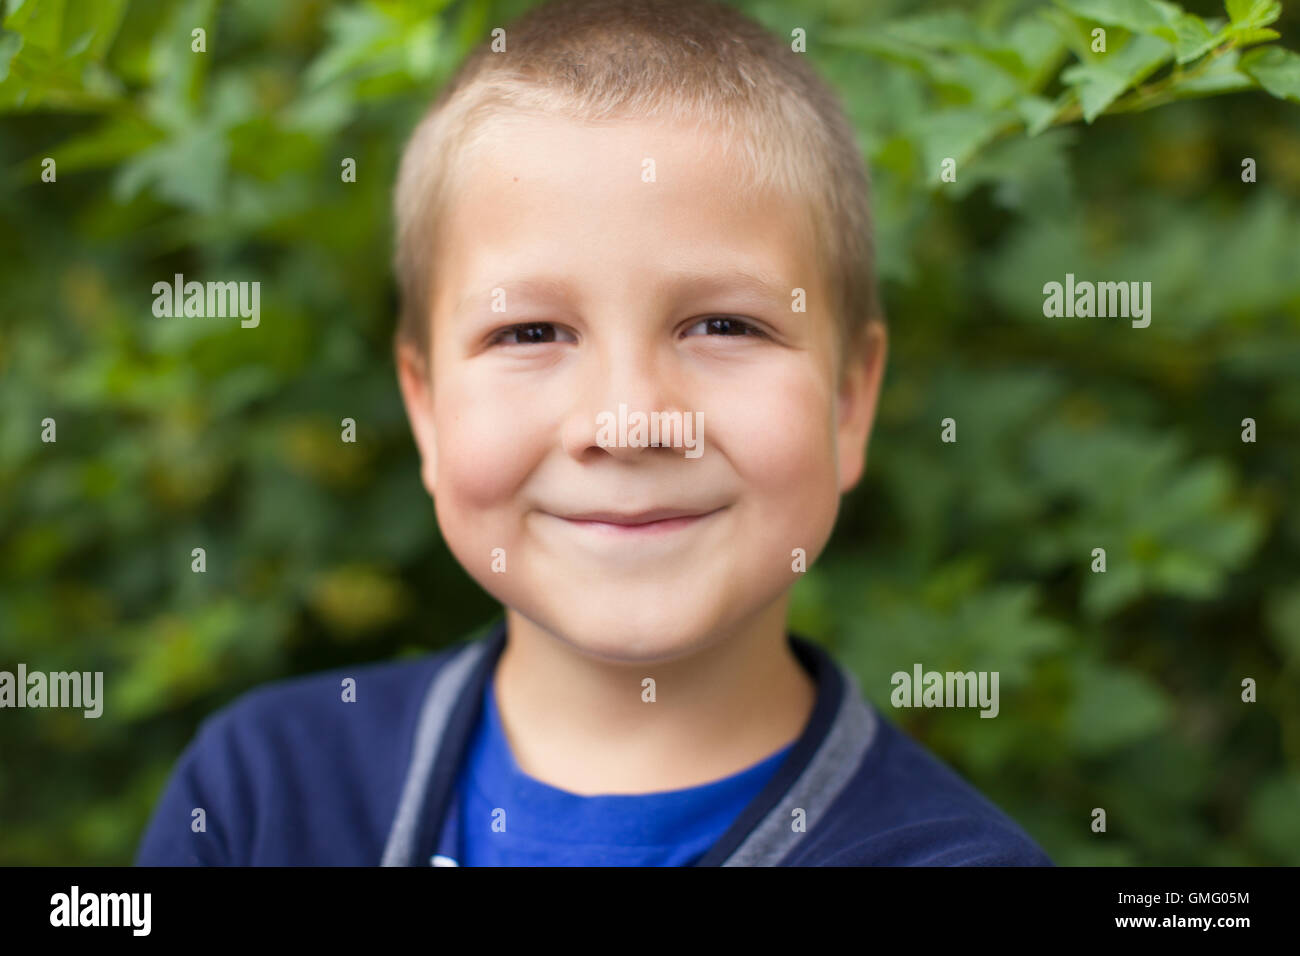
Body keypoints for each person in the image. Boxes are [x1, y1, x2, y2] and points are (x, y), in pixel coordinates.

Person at [136, 0, 1052, 866]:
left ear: (849, 401)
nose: (629, 422)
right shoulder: (262, 796)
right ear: (426, 409)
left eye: (723, 325)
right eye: (529, 332)